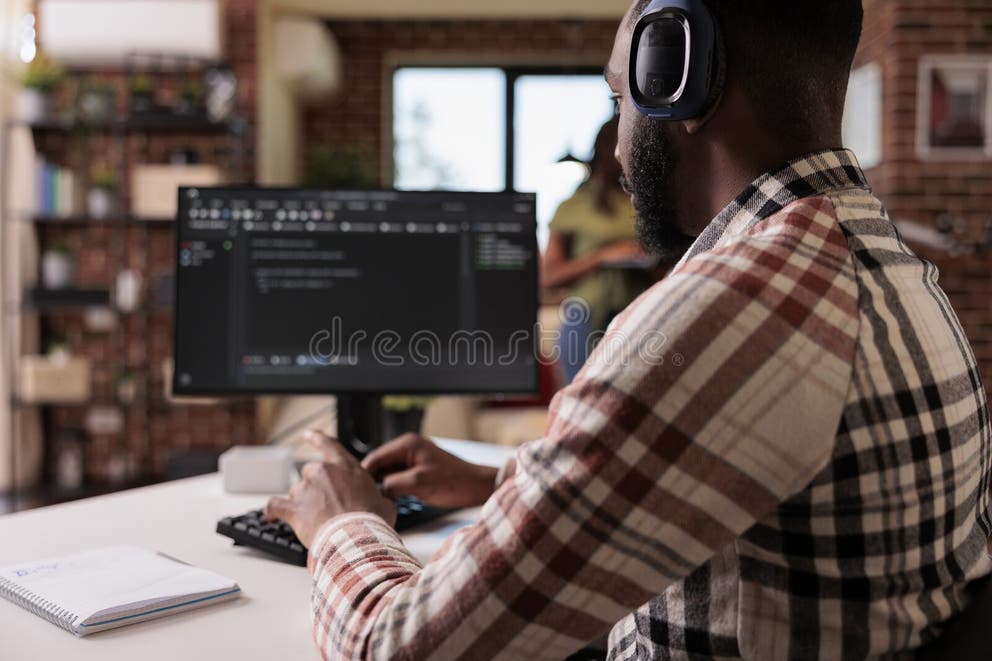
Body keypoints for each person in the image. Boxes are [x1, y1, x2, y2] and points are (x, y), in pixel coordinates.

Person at [265, 1, 992, 658]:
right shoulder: (891, 262)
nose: (615, 145)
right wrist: (499, 481)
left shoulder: (728, 310)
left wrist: (341, 520)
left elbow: (398, 646)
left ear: (682, 82)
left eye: (620, 98)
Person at [542, 117, 655, 383]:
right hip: (585, 320)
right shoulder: (573, 207)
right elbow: (548, 277)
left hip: (637, 317)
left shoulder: (641, 201)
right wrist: (602, 257)